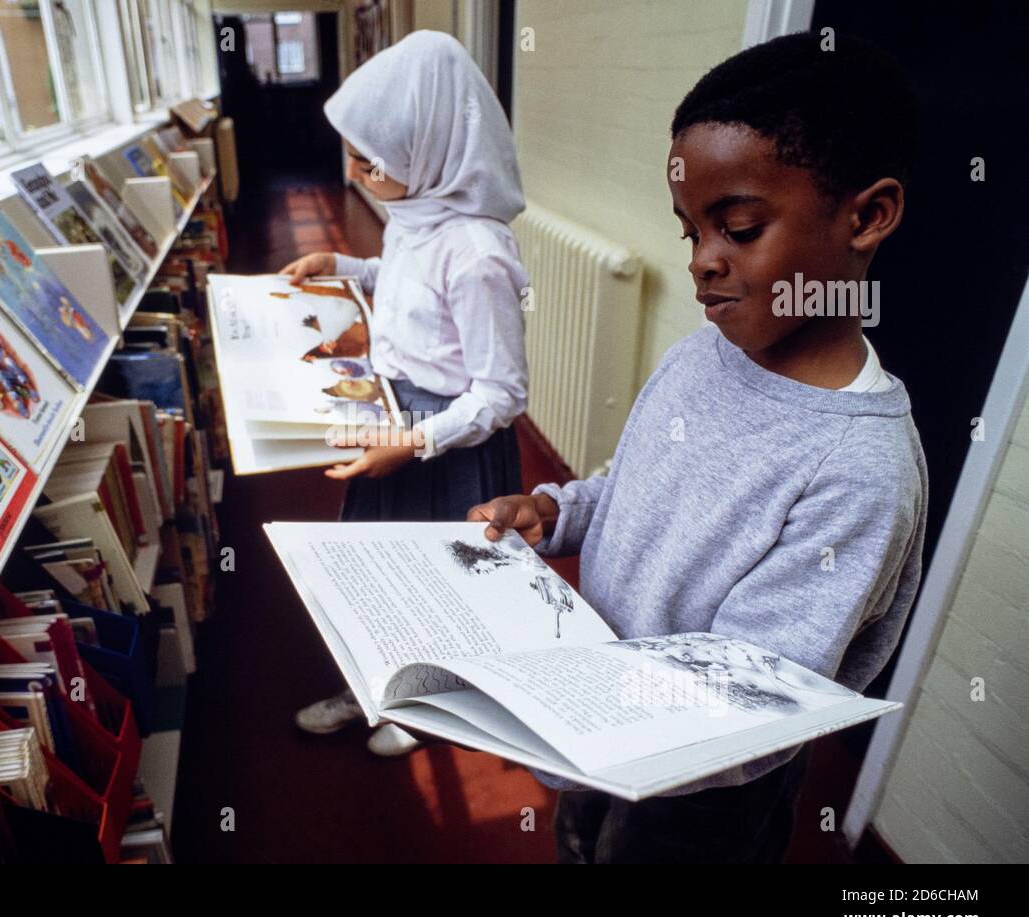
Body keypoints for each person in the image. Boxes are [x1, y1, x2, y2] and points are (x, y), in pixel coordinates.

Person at [469, 32, 928, 862]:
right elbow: (632, 487)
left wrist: (561, 700)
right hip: (603, 731)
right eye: (689, 234)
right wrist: (555, 511)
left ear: (867, 216)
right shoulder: (704, 351)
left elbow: (745, 709)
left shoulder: (858, 473)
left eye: (740, 228)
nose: (702, 265)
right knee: (581, 845)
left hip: (701, 797)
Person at [283, 31, 530, 757]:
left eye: (372, 159)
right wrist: (347, 265)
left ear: (432, 149)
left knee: (434, 581)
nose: (355, 170)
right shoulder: (419, 209)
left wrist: (416, 440)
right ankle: (368, 684)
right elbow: (407, 279)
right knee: (372, 565)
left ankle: (418, 704)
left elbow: (502, 394)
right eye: (354, 154)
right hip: (397, 414)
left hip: (448, 440)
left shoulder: (479, 253)